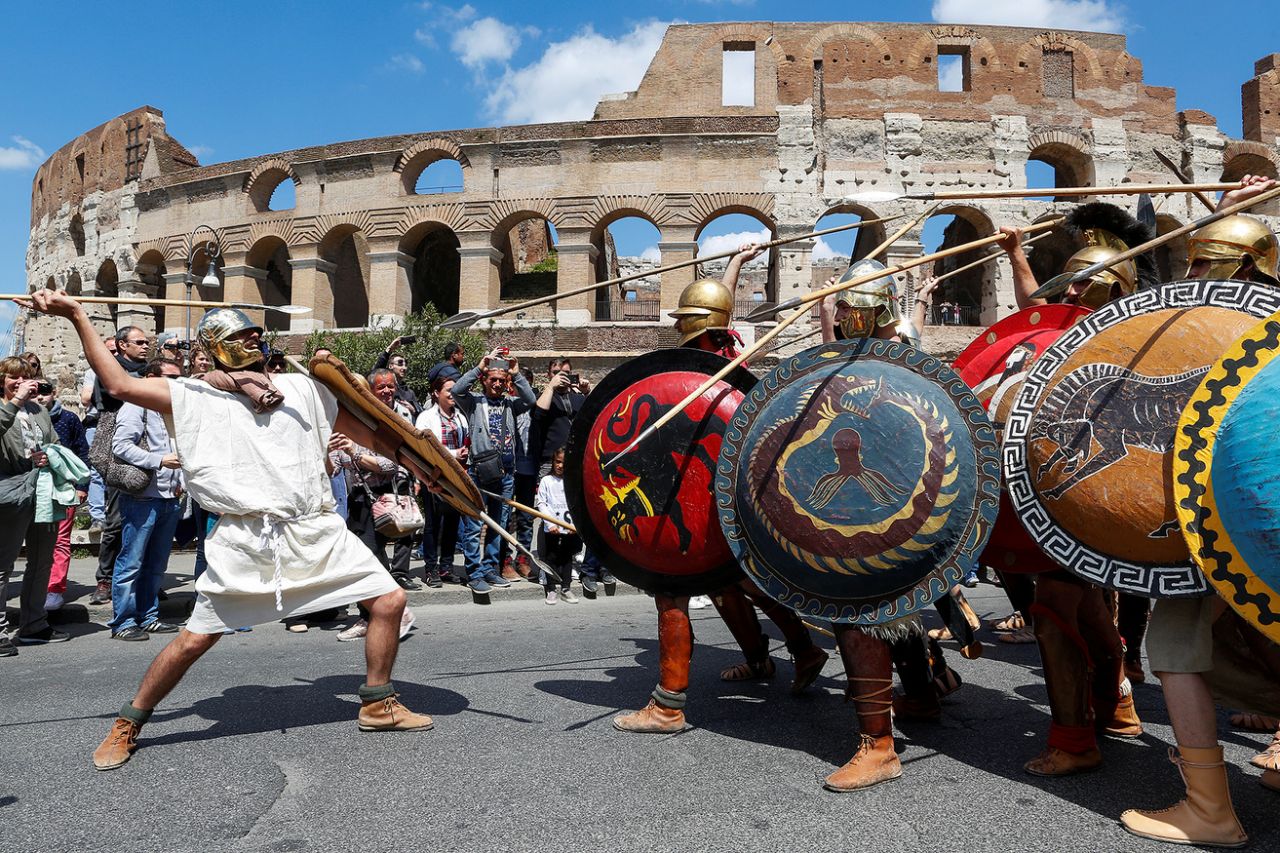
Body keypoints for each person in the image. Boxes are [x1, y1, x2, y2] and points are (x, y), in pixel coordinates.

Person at [19, 291, 434, 770]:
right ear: (215, 347)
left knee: (389, 601)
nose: (254, 339)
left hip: (314, 527)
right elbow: (117, 383)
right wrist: (75, 315)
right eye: (240, 335)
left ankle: (377, 702)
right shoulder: (191, 396)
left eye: (256, 333)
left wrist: (422, 465)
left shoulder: (301, 390)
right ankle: (129, 720)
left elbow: (373, 431)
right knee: (197, 637)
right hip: (246, 539)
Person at [1119, 175, 1279, 847]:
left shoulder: (1229, 325)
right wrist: (1235, 215)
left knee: (1174, 647)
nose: (1196, 275)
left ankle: (1210, 807)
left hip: (1209, 515)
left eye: (1205, 264)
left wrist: (1232, 217)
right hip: (1258, 515)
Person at [614, 244, 829, 737]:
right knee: (733, 581)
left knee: (670, 586)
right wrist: (736, 262)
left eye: (686, 320)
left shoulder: (711, 371)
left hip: (708, 497)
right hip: (723, 498)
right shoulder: (728, 356)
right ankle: (789, 652)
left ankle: (668, 705)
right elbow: (722, 304)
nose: (678, 328)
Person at [993, 204, 1150, 781]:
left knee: (1055, 612)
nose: (1074, 290)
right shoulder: (1068, 332)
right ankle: (1120, 707)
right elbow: (1035, 310)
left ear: (1116, 287)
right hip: (1063, 493)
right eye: (1072, 278)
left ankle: (1073, 739)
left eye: (1086, 281)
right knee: (1082, 605)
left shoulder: (1133, 341)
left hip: (1090, 497)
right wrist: (1014, 254)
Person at [107, 358, 186, 641]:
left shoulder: (175, 410)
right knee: (131, 562)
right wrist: (159, 460)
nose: (177, 384)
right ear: (151, 377)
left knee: (157, 563)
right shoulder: (136, 406)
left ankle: (148, 616)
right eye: (171, 378)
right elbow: (121, 447)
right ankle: (123, 622)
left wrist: (182, 483)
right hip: (142, 496)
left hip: (169, 497)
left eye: (180, 378)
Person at [0, 356, 69, 656]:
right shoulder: (6, 408)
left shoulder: (39, 410)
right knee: (3, 566)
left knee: (42, 560)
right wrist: (14, 400)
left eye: (26, 376)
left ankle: (33, 623)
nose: (22, 382)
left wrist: (48, 455)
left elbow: (54, 443)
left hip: (42, 491)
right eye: (14, 377)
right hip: (9, 493)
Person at [453, 348, 536, 594]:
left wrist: (516, 373)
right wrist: (480, 366)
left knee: (499, 525)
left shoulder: (511, 404)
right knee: (473, 526)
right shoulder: (474, 402)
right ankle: (475, 573)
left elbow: (531, 400)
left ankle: (490, 568)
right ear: (485, 381)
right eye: (493, 379)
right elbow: (457, 390)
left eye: (502, 380)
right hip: (478, 473)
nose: (498, 384)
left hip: (505, 474)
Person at [87, 326, 151, 606]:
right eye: (139, 342)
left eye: (147, 342)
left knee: (148, 521)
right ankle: (105, 579)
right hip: (118, 451)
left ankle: (143, 580)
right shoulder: (110, 371)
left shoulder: (150, 371)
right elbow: (118, 393)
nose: (146, 346)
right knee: (115, 521)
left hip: (148, 447)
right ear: (122, 345)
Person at [36, 377, 89, 612]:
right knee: (37, 541)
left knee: (60, 540)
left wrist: (82, 486)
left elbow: (82, 454)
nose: (40, 395)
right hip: (33, 488)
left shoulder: (68, 419)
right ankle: (36, 587)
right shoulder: (23, 418)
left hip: (64, 488)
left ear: (55, 392)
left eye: (45, 390)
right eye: (35, 390)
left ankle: (55, 589)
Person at [367, 368, 420, 591]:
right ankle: (382, 572)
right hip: (373, 479)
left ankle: (400, 572)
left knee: (407, 526)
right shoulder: (365, 412)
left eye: (390, 386)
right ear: (372, 389)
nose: (387, 391)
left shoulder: (405, 413)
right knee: (378, 529)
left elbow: (414, 448)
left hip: (401, 477)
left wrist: (416, 477)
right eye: (381, 387)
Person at [416, 375, 468, 587]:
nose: (452, 394)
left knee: (452, 524)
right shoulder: (426, 417)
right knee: (433, 524)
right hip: (434, 477)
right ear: (437, 393)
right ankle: (431, 569)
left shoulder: (460, 417)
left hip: (456, 478)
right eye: (448, 390)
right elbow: (426, 447)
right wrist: (455, 454)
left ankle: (446, 567)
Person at [81, 335, 116, 534]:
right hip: (97, 423)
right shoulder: (92, 372)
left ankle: (113, 515)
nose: (111, 355)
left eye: (114, 352)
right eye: (108, 351)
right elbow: (85, 399)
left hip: (119, 424)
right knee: (96, 473)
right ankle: (97, 517)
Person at [535, 447, 578, 605]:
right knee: (550, 558)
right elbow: (542, 503)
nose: (560, 466)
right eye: (557, 462)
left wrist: (573, 525)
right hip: (551, 528)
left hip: (568, 528)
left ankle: (566, 588)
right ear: (553, 462)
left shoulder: (570, 482)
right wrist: (550, 523)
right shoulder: (547, 481)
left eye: (563, 463)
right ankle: (551, 588)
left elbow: (574, 505)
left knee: (567, 558)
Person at [375, 336, 422, 419]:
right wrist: (390, 349)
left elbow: (421, 415)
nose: (404, 368)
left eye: (405, 364)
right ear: (391, 366)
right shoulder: (384, 388)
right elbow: (375, 372)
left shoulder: (409, 393)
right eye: (400, 364)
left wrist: (413, 410)